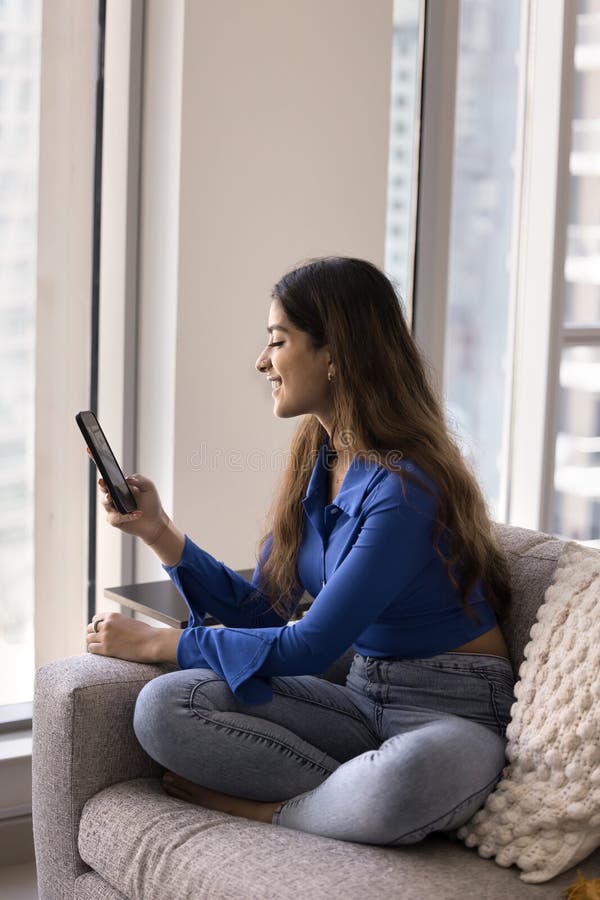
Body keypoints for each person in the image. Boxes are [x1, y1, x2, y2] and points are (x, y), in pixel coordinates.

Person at [86, 256, 515, 846]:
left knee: (401, 783)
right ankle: (343, 802)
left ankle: (278, 812)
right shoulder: (320, 459)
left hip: (453, 713)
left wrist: (166, 642)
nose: (262, 361)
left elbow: (310, 646)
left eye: (277, 341)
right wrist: (159, 530)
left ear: (334, 352)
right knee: (165, 705)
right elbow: (264, 613)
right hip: (362, 696)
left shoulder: (407, 488)